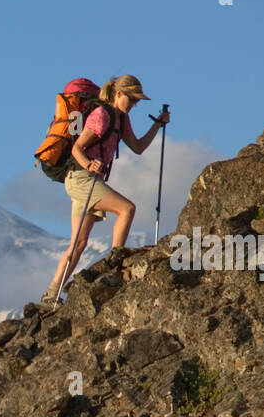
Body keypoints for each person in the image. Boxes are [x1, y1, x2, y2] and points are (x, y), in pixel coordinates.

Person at [43, 75, 171, 305]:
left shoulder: (122, 120)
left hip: (86, 180)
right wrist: (89, 164)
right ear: (118, 94)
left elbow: (138, 147)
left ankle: (51, 294)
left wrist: (157, 125)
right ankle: (116, 260)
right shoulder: (102, 115)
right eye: (131, 99)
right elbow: (77, 148)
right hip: (82, 178)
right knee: (127, 209)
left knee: (79, 244)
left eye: (137, 101)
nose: (134, 105)